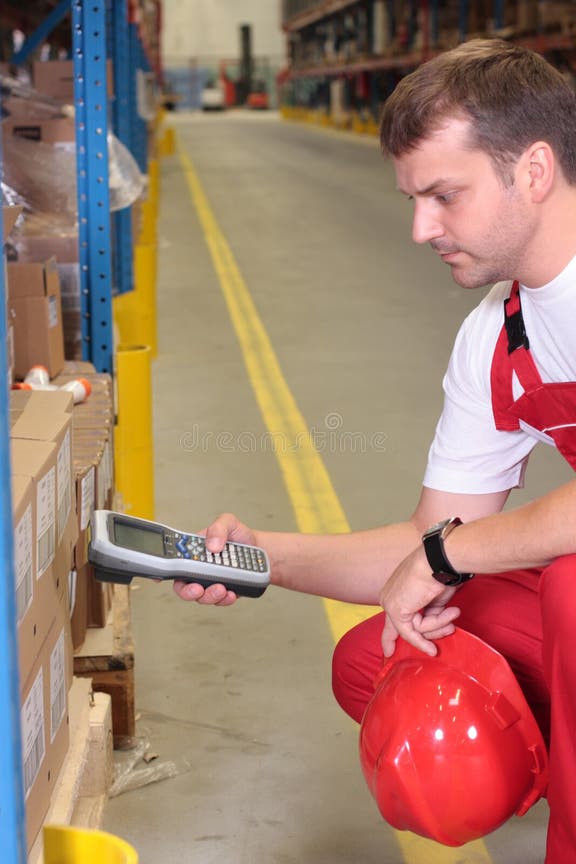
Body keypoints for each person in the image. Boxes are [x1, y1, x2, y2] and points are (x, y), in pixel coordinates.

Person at [173, 39, 576, 862]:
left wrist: (447, 553)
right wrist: (262, 557)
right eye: (413, 199)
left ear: (533, 171)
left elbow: (446, 548)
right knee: (382, 656)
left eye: (444, 196)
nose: (422, 228)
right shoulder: (499, 339)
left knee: (570, 592)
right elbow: (426, 542)